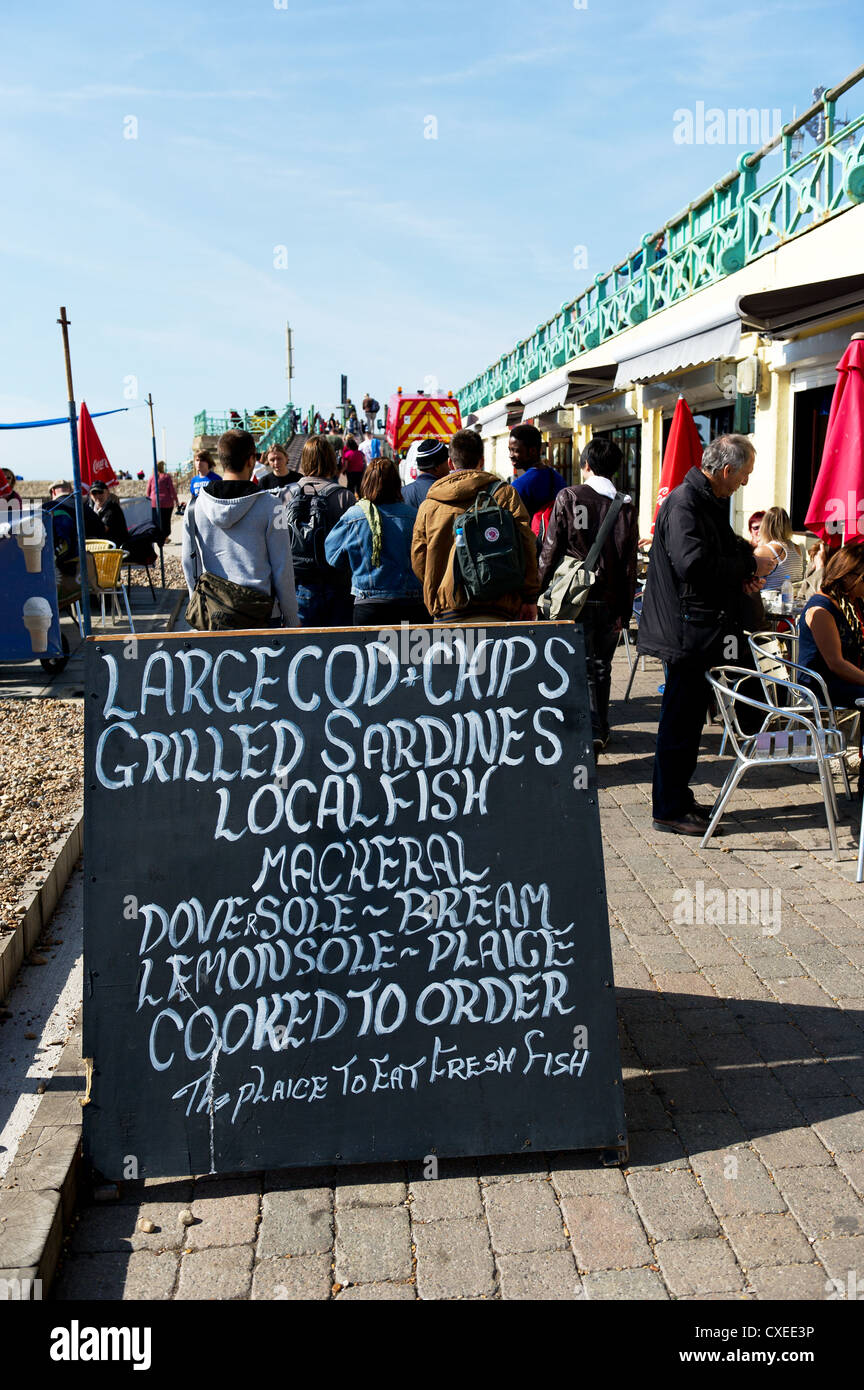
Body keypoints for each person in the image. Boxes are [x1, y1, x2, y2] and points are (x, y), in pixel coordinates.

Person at [638, 434, 776, 835]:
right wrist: (749, 564)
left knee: (688, 720)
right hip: (686, 632)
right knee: (679, 722)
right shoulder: (686, 502)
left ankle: (677, 797)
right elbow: (694, 565)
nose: (745, 483)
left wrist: (745, 572)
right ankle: (668, 807)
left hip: (697, 628)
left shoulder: (705, 500)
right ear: (727, 470)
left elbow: (720, 554)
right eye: (744, 475)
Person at [538, 437, 639, 754]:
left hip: (573, 596)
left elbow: (550, 551)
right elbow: (628, 565)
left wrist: (538, 592)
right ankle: (600, 727)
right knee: (601, 668)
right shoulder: (625, 504)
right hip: (610, 599)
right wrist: (625, 611)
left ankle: (583, 727)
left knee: (575, 665)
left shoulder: (569, 496)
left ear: (586, 465)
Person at [411, 426, 539, 623]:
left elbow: (419, 558)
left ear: (450, 463)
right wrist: (529, 597)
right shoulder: (505, 494)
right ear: (482, 460)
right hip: (499, 606)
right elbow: (527, 545)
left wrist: (437, 588)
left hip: (448, 609)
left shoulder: (430, 505)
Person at [181, 429, 297, 627]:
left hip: (214, 613)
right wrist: (292, 619)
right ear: (251, 460)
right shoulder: (273, 506)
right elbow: (282, 567)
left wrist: (199, 603)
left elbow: (188, 563)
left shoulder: (194, 507)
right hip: (263, 613)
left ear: (220, 460)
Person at [324, 456, 428, 626]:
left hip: (369, 604)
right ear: (396, 484)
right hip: (412, 603)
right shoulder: (413, 515)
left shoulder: (354, 516)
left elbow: (332, 557)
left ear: (366, 482)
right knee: (409, 652)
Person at [280, 435, 354, 626]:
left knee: (303, 650)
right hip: (337, 584)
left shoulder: (285, 495)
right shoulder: (344, 497)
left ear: (304, 460)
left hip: (298, 584)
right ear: (331, 460)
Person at [798, 543, 864, 712]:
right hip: (822, 685)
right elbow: (836, 664)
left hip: (843, 678)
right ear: (847, 576)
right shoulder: (821, 610)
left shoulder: (851, 602)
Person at [508, 423, 566, 519]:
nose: (511, 455)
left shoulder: (519, 486)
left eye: (516, 450)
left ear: (533, 451)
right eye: (509, 450)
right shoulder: (557, 478)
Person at [756, 507, 806, 592]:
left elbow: (752, 580)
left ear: (765, 526)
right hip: (794, 599)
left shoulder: (764, 550)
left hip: (770, 601)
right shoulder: (797, 548)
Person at [402, 437, 450, 509]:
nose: (449, 467)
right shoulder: (446, 492)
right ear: (437, 467)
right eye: (447, 463)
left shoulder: (403, 492)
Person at [88, 481, 129, 549]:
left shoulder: (113, 508)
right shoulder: (91, 508)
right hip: (100, 544)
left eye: (100, 492)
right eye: (94, 493)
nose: (97, 496)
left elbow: (103, 529)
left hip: (114, 547)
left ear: (107, 492)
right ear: (90, 495)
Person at [146, 461, 178, 543]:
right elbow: (171, 490)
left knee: (156, 521)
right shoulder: (166, 477)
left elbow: (148, 491)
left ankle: (158, 537)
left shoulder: (152, 477)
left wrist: (148, 501)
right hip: (167, 502)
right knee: (166, 521)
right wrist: (176, 500)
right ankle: (165, 537)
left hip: (154, 502)